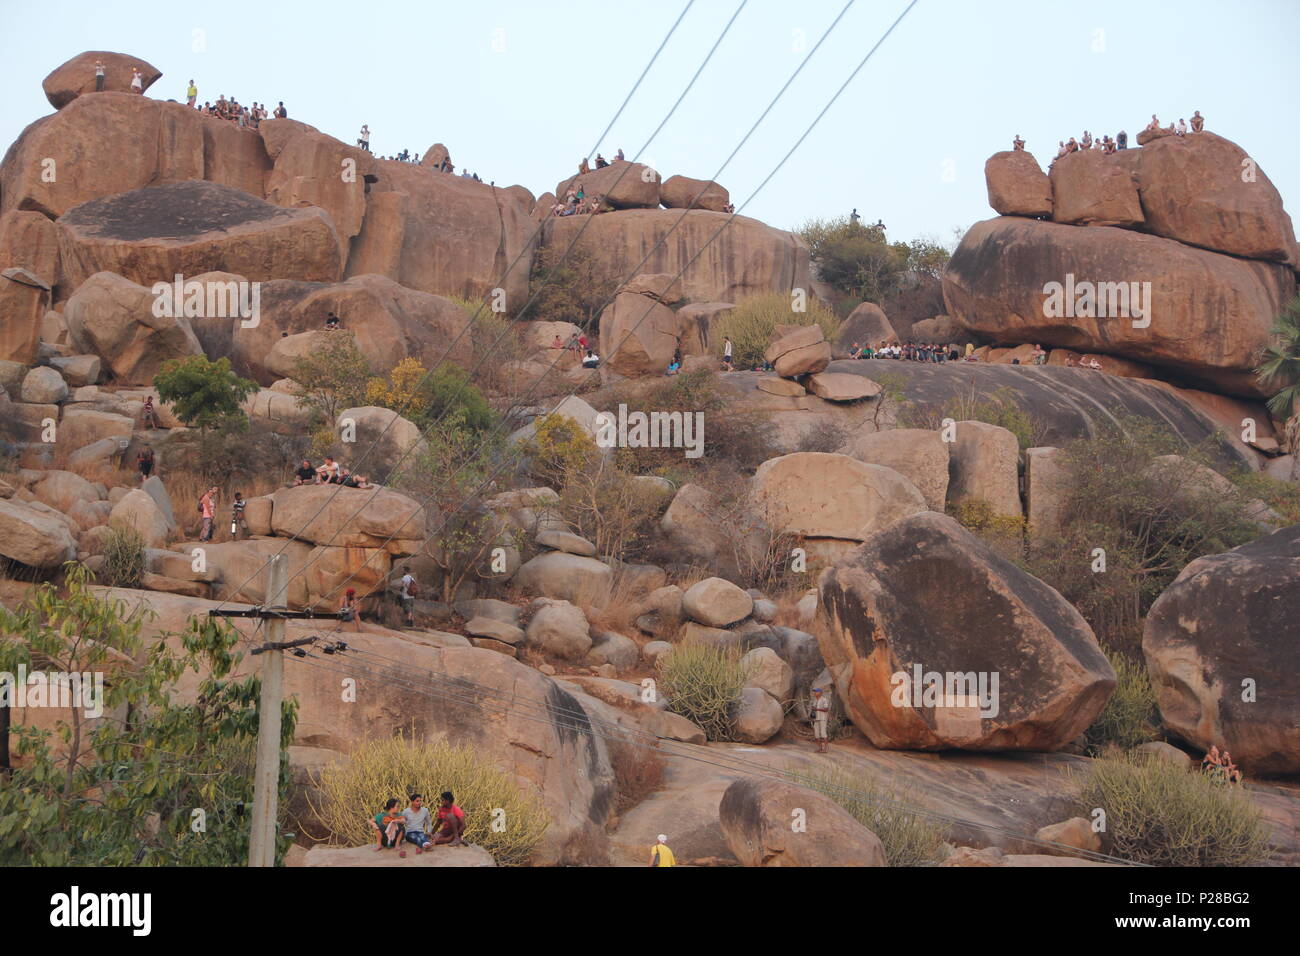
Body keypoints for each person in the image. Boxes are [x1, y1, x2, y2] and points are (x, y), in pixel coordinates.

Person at [811, 686, 831, 753]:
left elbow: (826, 709)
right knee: (816, 734)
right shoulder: (815, 700)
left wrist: (817, 709)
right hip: (816, 719)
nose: (815, 693)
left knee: (823, 734)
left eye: (816, 691)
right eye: (814, 692)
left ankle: (825, 749)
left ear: (820, 693)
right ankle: (820, 748)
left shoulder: (824, 699)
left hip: (822, 719)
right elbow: (813, 708)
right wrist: (813, 708)